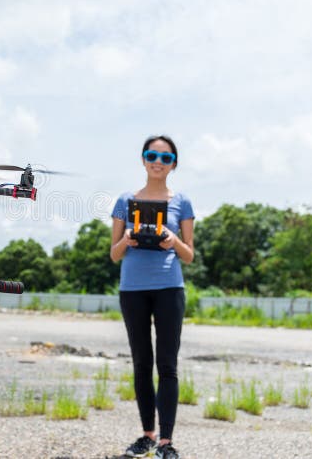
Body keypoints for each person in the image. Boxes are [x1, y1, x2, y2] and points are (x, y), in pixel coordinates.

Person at [110, 135, 195, 459]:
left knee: (167, 365)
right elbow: (114, 254)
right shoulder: (125, 201)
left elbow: (189, 255)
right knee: (142, 363)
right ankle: (147, 435)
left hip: (169, 288)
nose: (158, 162)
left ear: (173, 164)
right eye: (152, 155)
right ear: (143, 159)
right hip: (132, 289)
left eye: (165, 158)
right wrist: (128, 239)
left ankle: (165, 442)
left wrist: (173, 239)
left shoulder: (182, 202)